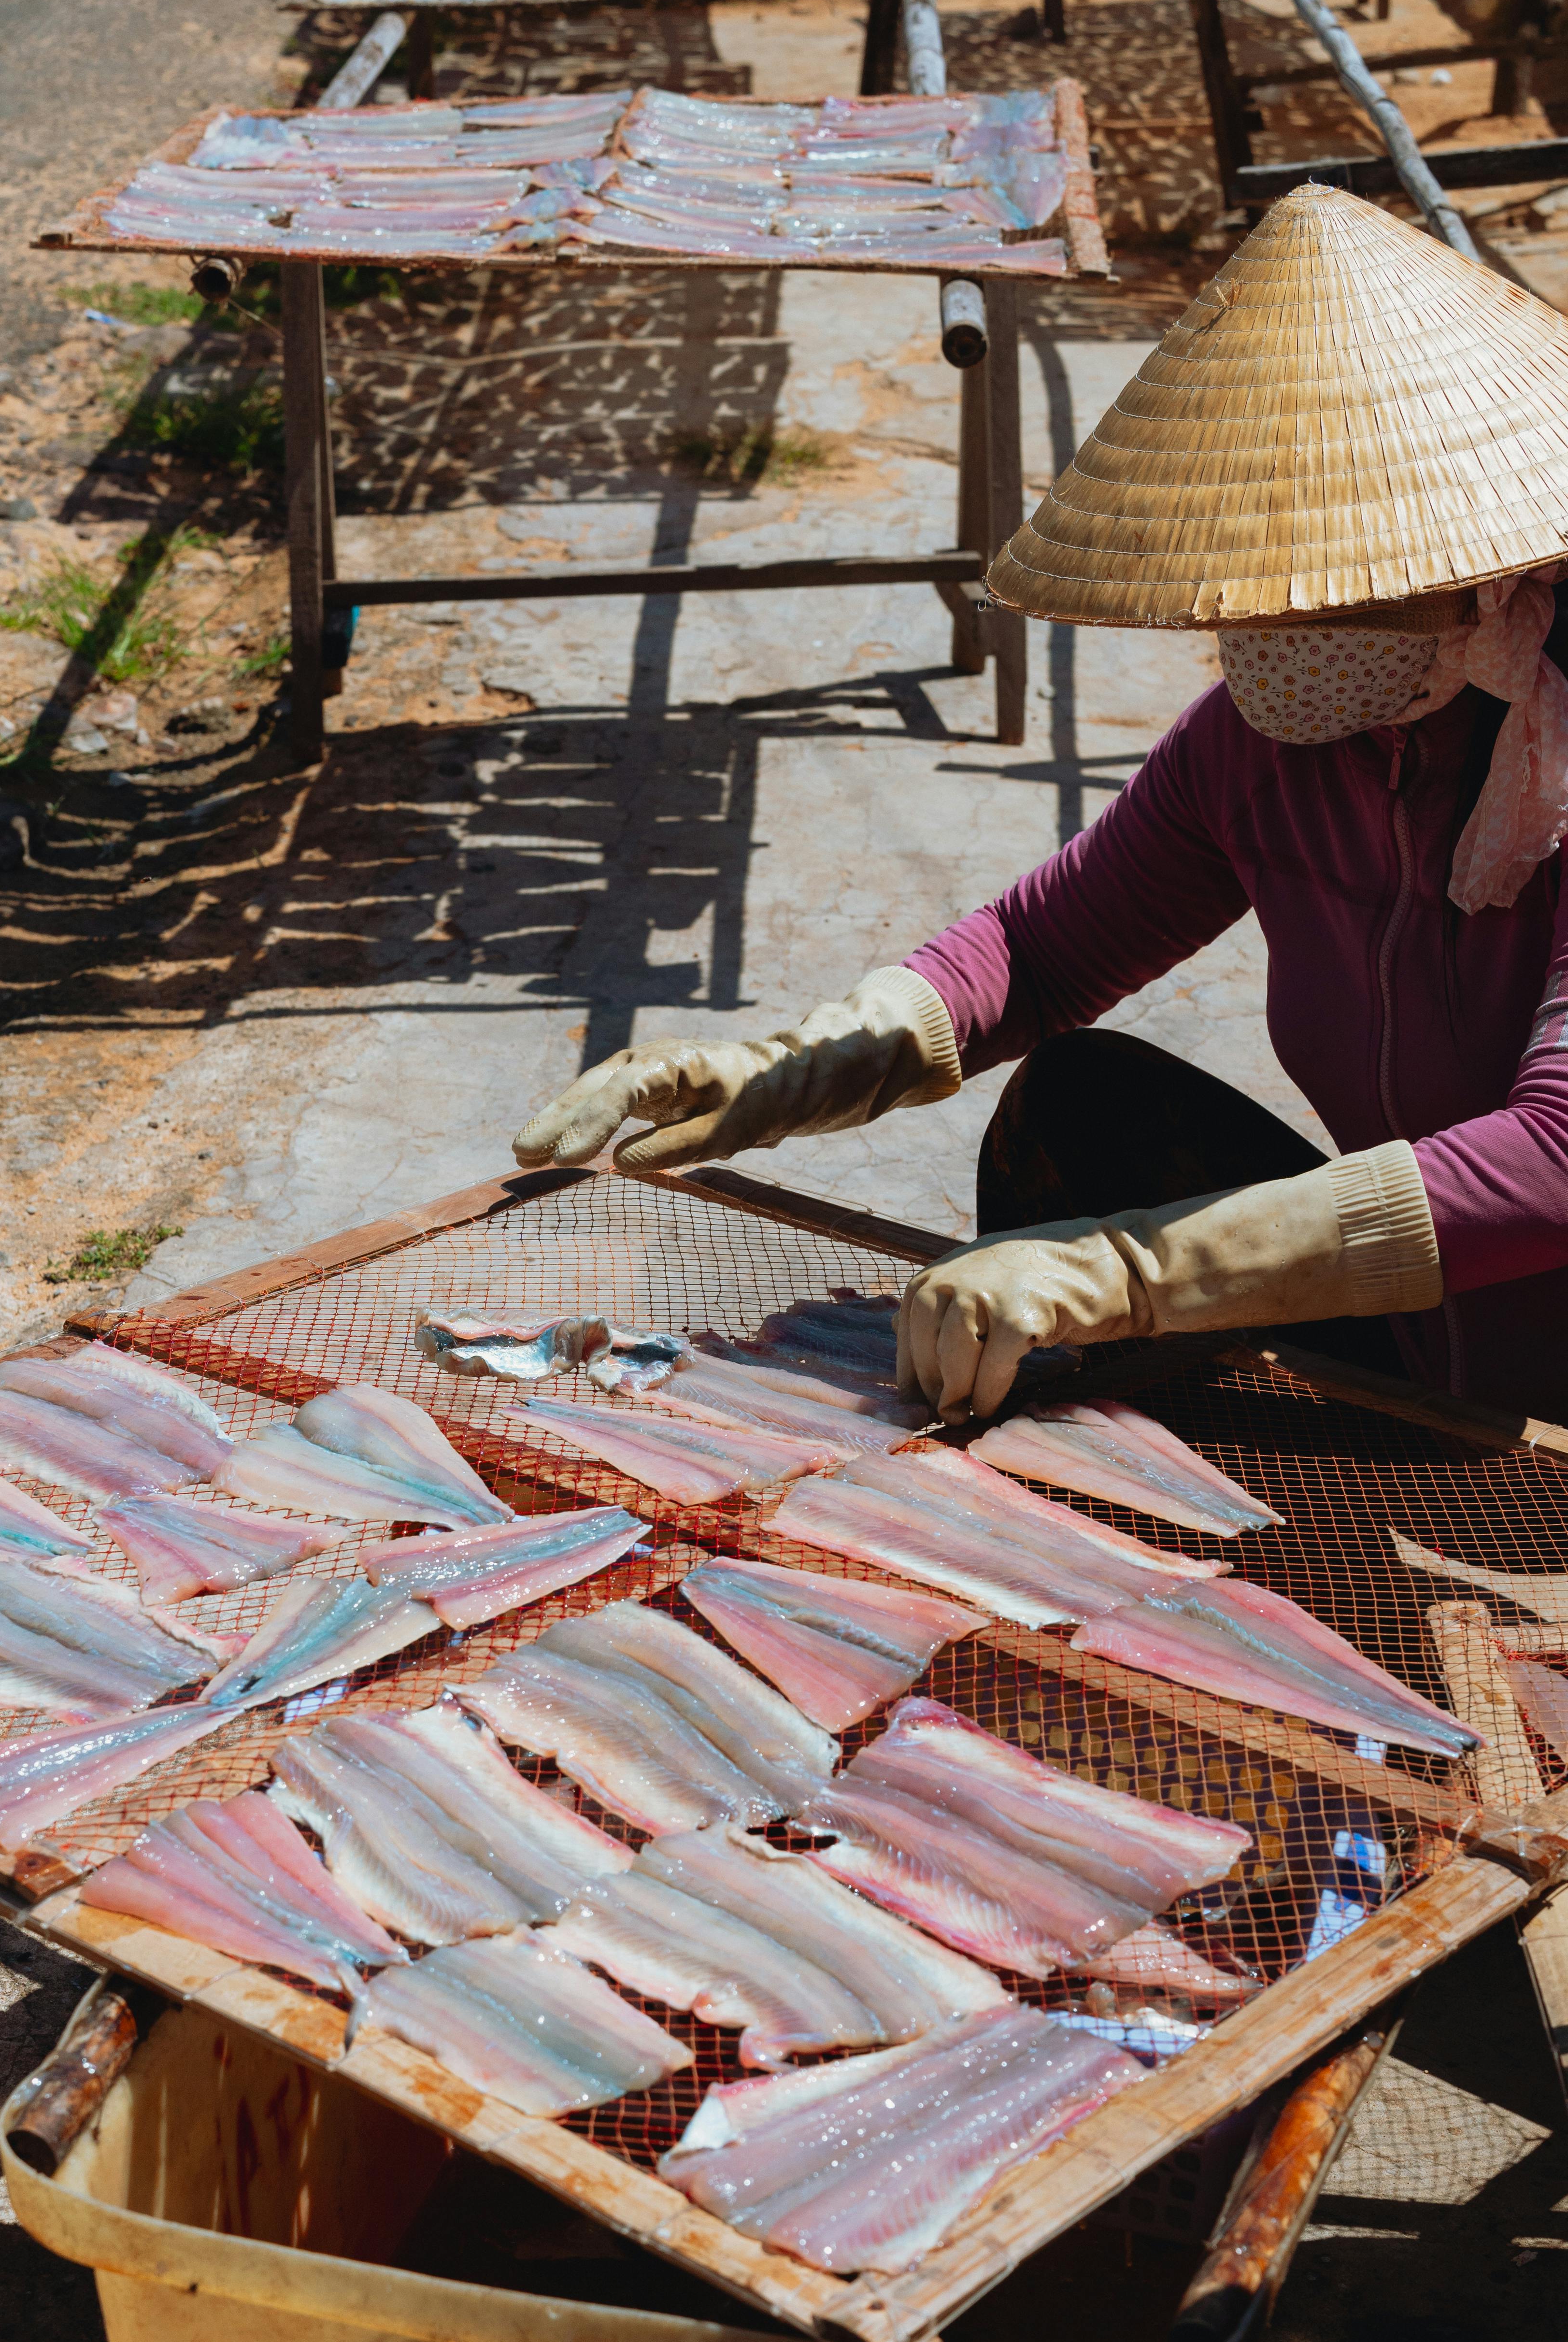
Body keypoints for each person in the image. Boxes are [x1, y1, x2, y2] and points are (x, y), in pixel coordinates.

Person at [511, 186, 1568, 1425]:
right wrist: (784, 1070)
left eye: (1326, 595)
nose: (1266, 632)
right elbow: (1042, 946)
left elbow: (1552, 1162)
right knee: (1080, 1106)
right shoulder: (1262, 747)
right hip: (1427, 1307)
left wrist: (1120, 1274)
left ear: (1484, 585)